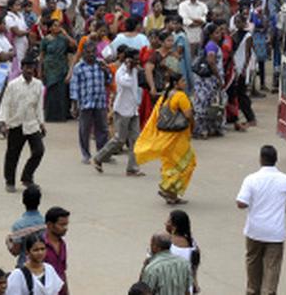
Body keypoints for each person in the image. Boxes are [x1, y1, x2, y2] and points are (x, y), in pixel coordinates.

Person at [236, 144, 286, 295]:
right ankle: (268, 292)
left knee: (253, 262)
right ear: (276, 160)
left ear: (260, 159)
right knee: (272, 266)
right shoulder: (285, 180)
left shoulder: (251, 179)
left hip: (254, 231)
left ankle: (252, 290)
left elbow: (241, 203)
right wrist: (282, 210)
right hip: (275, 233)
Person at [136, 72, 196, 204]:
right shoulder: (181, 96)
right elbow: (188, 115)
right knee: (188, 163)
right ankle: (168, 189)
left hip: (165, 137)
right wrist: (193, 125)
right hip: (178, 138)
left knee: (169, 164)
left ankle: (172, 195)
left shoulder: (165, 96)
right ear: (176, 83)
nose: (185, 83)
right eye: (183, 81)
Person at [0, 57, 47, 193]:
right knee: (13, 154)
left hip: (32, 123)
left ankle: (27, 177)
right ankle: (10, 181)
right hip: (16, 123)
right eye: (27, 68)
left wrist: (41, 123)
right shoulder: (13, 85)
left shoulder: (38, 85)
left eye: (32, 68)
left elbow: (39, 106)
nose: (30, 70)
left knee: (39, 151)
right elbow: (5, 104)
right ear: (22, 68)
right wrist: (3, 123)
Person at [94, 48, 145, 176]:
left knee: (135, 139)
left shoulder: (134, 70)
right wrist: (128, 69)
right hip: (122, 109)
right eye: (135, 58)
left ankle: (132, 167)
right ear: (128, 59)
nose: (138, 61)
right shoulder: (122, 71)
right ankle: (99, 157)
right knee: (120, 139)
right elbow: (125, 83)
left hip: (133, 109)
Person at [69, 41, 109, 164]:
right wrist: (74, 105)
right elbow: (74, 87)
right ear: (83, 53)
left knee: (102, 128)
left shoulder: (101, 64)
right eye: (88, 52)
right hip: (85, 102)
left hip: (100, 102)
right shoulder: (78, 67)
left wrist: (106, 71)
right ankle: (86, 154)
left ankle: (102, 153)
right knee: (84, 130)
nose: (91, 55)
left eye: (93, 52)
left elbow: (109, 80)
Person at [39, 18, 75, 123]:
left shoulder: (63, 39)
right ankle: (50, 115)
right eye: (54, 25)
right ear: (50, 28)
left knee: (61, 92)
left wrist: (66, 34)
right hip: (49, 67)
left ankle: (61, 115)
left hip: (61, 67)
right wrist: (40, 70)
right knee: (51, 91)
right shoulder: (45, 40)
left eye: (58, 25)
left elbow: (74, 45)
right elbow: (42, 56)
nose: (57, 27)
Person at [7, 185, 46, 267]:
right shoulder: (46, 222)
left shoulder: (18, 225)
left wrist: (8, 242)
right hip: (43, 264)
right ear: (39, 202)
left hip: (25, 265)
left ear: (23, 201)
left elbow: (15, 251)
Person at [166, 210, 202, 294]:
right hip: (187, 288)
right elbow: (194, 268)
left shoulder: (167, 243)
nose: (165, 223)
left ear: (174, 227)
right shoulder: (193, 244)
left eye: (168, 221)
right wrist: (195, 283)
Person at [43, 207, 70, 295]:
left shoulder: (62, 244)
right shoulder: (39, 246)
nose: (66, 228)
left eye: (66, 224)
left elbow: (62, 271)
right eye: (62, 225)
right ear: (50, 225)